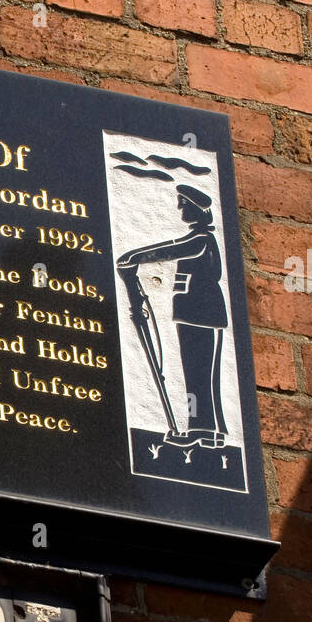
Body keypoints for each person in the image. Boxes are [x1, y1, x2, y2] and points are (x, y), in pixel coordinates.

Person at [117, 184, 228, 449]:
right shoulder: (198, 238)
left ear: (198, 210)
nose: (180, 208)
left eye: (183, 203)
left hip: (204, 314)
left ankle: (209, 431)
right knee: (193, 370)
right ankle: (201, 428)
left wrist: (135, 256)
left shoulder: (202, 239)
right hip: (191, 313)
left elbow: (173, 249)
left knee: (202, 372)